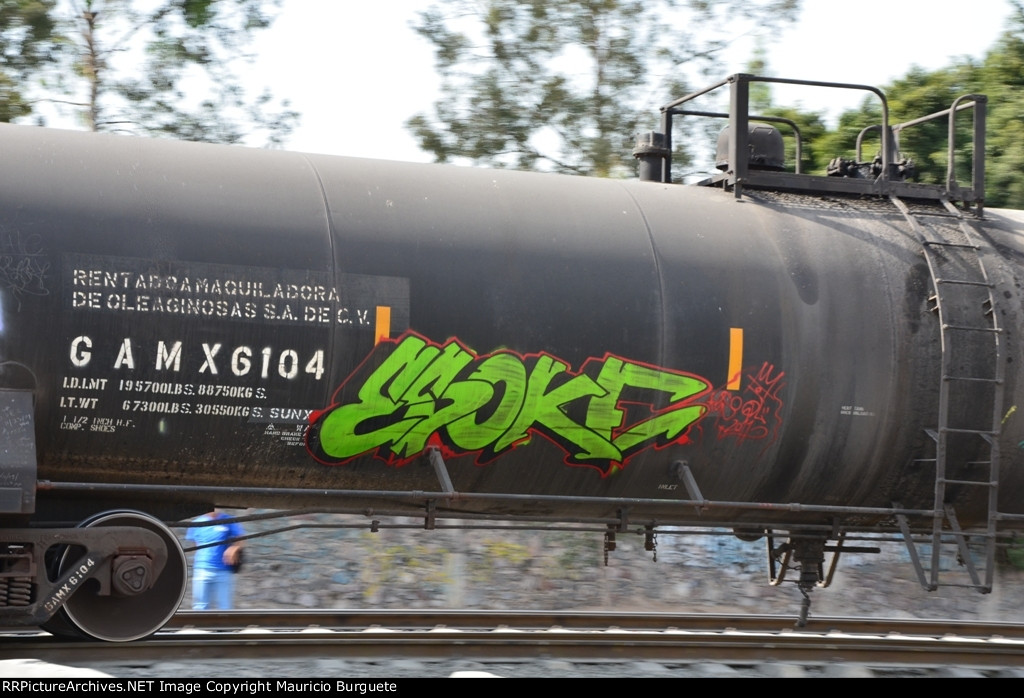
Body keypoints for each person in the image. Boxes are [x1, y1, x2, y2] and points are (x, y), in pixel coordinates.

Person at [185, 509, 244, 610]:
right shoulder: (197, 523)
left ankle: (225, 625)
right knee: (200, 606)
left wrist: (233, 549)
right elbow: (196, 544)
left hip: (223, 570)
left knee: (224, 606)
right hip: (202, 569)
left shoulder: (228, 520)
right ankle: (200, 626)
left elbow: (241, 539)